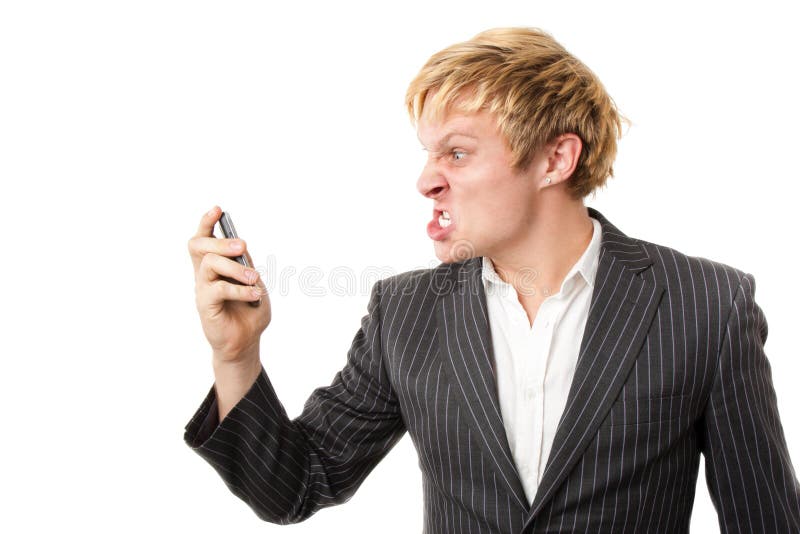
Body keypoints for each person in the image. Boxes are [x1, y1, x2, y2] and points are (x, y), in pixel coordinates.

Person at [184, 27, 800, 533]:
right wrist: (236, 356)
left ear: (555, 160)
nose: (426, 181)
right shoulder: (405, 310)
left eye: (456, 153)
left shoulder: (707, 304)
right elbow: (298, 485)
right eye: (427, 154)